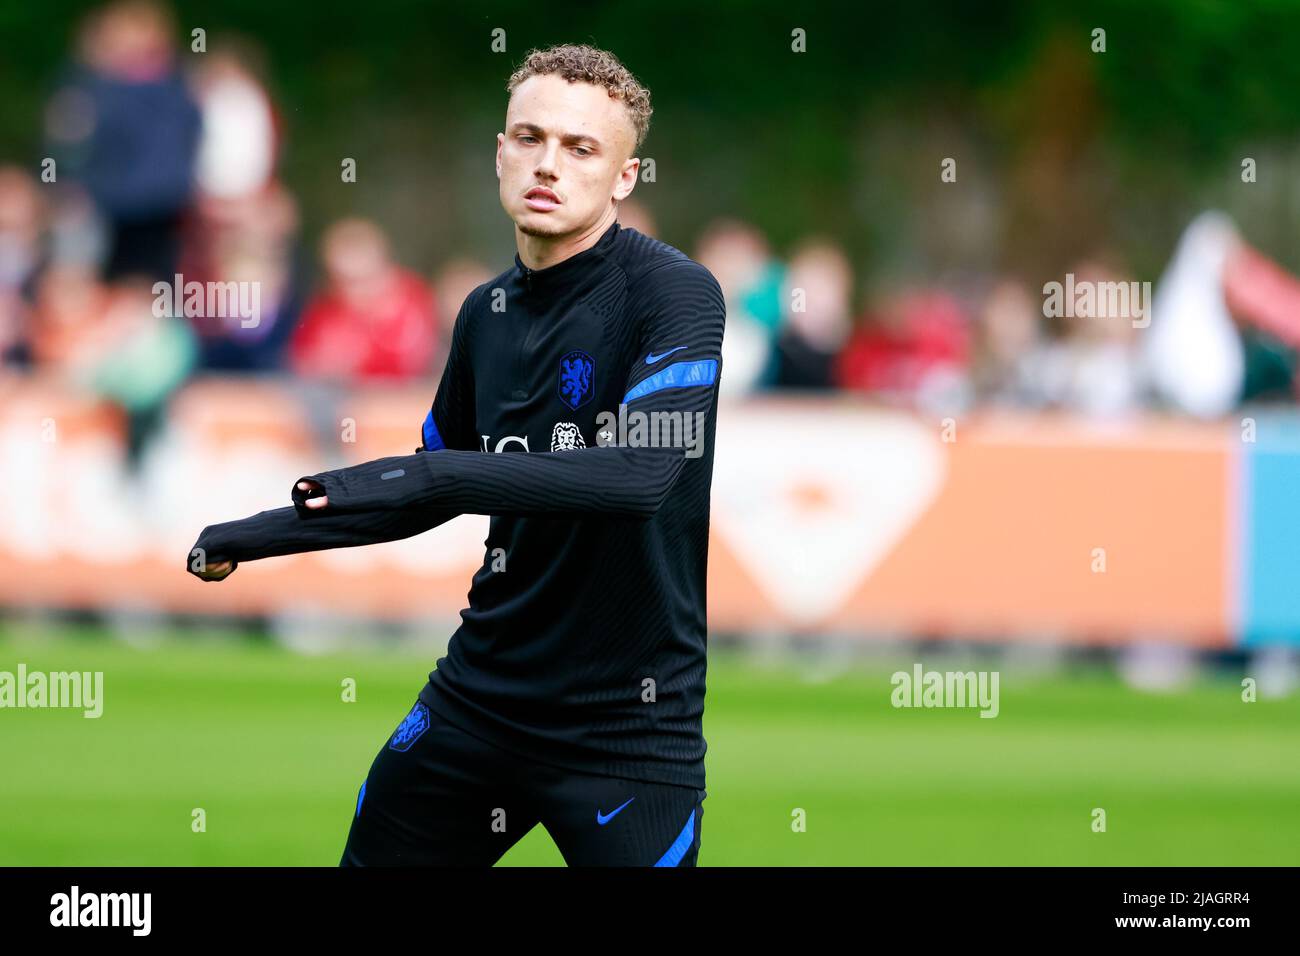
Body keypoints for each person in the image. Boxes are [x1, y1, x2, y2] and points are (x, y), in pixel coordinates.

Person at [186, 44, 725, 867]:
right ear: (500, 154)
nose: (549, 164)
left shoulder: (675, 295)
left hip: (630, 731)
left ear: (624, 177)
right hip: (479, 701)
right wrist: (257, 532)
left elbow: (640, 475)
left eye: (581, 149)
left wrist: (443, 471)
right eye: (529, 138)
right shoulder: (487, 312)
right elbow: (424, 488)